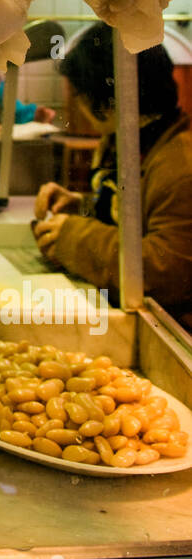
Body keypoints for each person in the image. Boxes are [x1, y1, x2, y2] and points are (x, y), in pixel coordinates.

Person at [32, 22, 192, 330]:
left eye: (79, 94)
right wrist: (81, 208)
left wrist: (74, 237)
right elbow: (133, 215)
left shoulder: (180, 164)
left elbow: (166, 272)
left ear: (107, 99)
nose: (77, 104)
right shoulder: (130, 141)